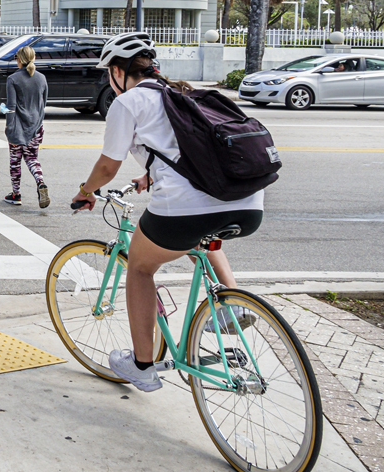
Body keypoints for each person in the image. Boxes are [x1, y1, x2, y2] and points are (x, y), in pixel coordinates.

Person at [70, 32, 261, 392]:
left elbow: (108, 167)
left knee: (140, 268)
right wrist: (149, 175)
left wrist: (86, 191)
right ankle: (231, 304)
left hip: (186, 209)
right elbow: (191, 150)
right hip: (248, 203)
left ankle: (142, 366)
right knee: (202, 240)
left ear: (117, 71)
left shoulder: (127, 104)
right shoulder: (182, 93)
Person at [4, 45, 49, 208]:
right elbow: (43, 104)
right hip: (36, 127)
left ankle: (16, 194)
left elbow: (11, 107)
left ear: (19, 59)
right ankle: (40, 182)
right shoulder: (42, 78)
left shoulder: (13, 79)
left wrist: (9, 129)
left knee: (15, 161)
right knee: (32, 158)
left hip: (18, 127)